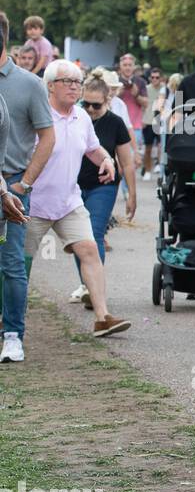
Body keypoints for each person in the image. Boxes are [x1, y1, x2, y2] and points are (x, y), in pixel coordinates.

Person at [25, 61, 129, 338]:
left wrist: (107, 161)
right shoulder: (37, 115)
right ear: (50, 86)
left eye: (77, 81)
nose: (74, 86)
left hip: (69, 202)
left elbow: (93, 149)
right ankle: (10, 321)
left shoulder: (82, 116)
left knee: (90, 251)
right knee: (19, 263)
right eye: (67, 81)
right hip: (33, 204)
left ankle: (102, 317)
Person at [1, 10, 57, 364]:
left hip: (11, 183)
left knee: (10, 263)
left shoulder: (28, 83)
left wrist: (23, 184)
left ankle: (12, 335)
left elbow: (47, 136)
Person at [73, 75, 137, 289]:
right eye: (86, 103)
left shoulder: (115, 123)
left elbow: (127, 163)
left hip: (104, 186)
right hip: (74, 186)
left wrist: (132, 197)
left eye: (96, 105)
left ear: (107, 101)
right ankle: (85, 284)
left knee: (94, 232)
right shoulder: (75, 118)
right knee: (78, 237)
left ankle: (93, 287)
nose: (90, 109)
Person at [116, 53, 148, 152]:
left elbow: (146, 104)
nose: (127, 68)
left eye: (130, 65)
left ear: (134, 66)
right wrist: (117, 94)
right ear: (120, 66)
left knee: (132, 156)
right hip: (116, 124)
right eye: (125, 65)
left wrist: (136, 95)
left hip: (135, 125)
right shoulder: (115, 80)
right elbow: (105, 101)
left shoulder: (140, 81)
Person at [141, 66, 165, 181]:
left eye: (157, 77)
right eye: (152, 77)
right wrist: (142, 120)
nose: (154, 79)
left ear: (161, 78)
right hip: (148, 122)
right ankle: (147, 170)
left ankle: (160, 167)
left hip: (161, 122)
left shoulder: (165, 90)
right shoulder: (145, 89)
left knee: (162, 147)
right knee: (148, 148)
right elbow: (141, 106)